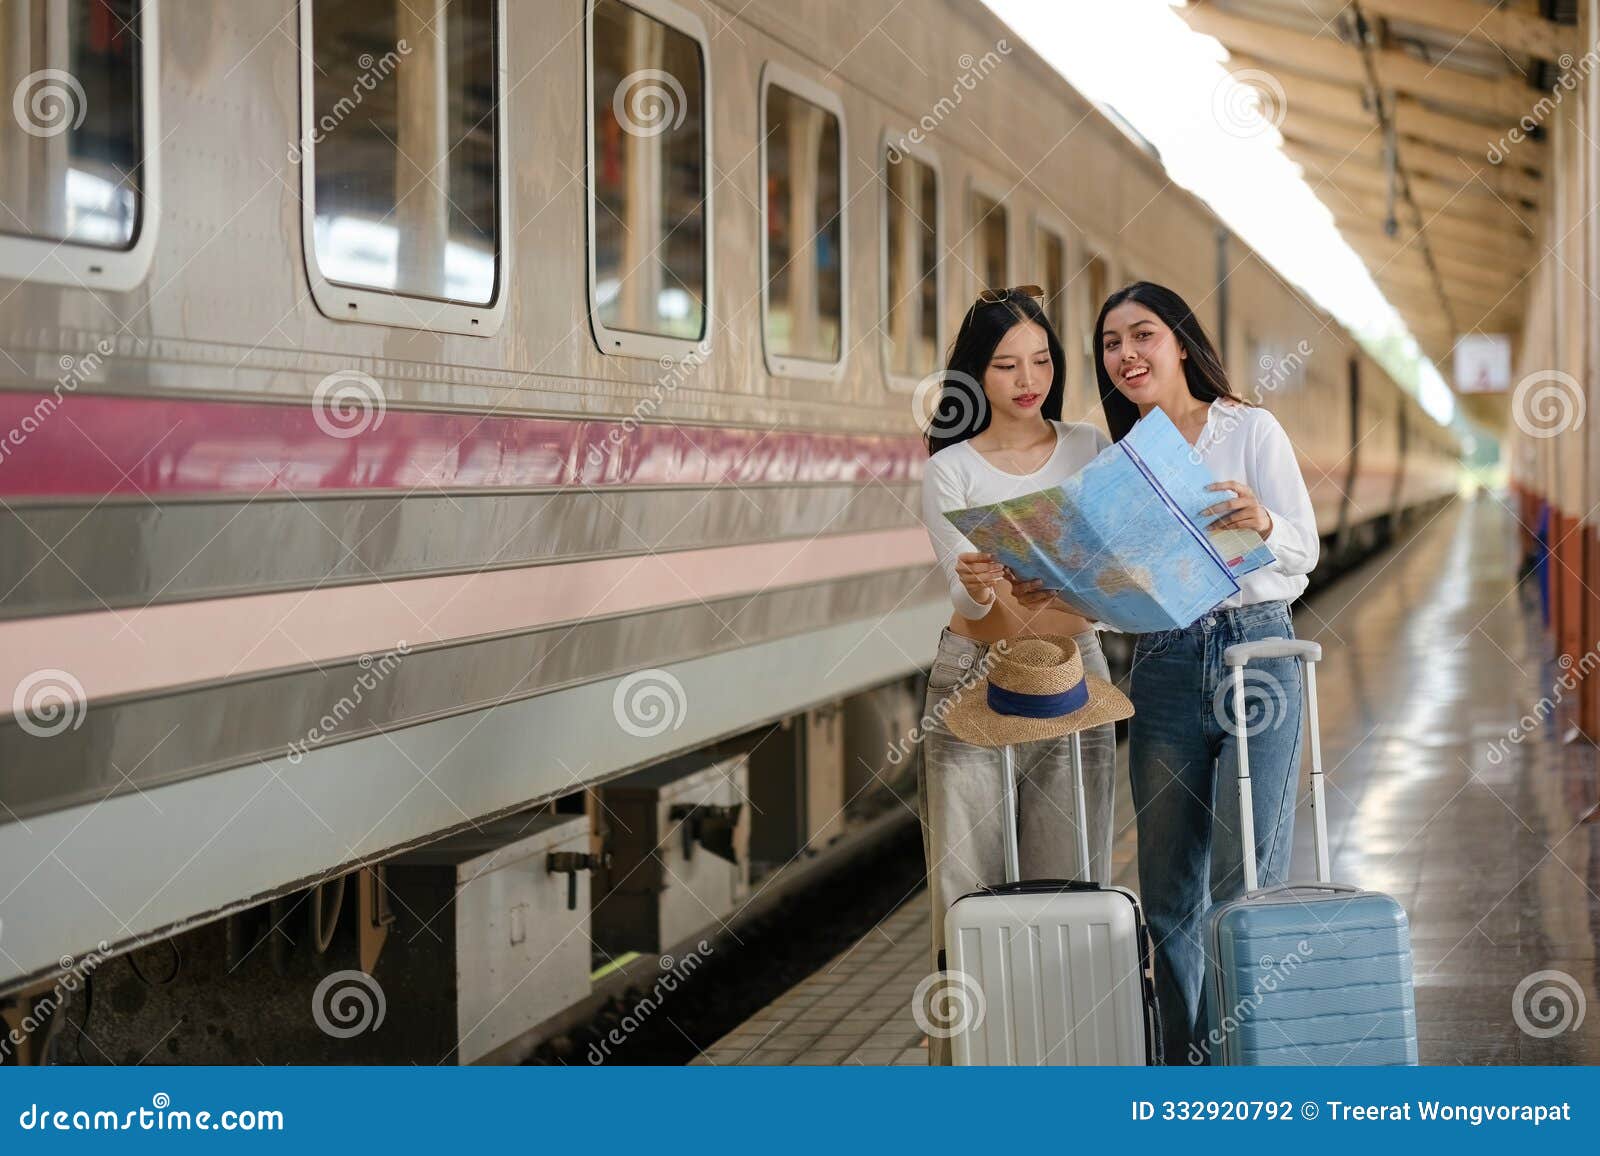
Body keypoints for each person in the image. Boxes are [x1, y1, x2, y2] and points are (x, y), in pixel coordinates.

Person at [1011, 281, 1320, 1063]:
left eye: (1141, 335)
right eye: (1111, 344)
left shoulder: (1250, 431)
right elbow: (1126, 603)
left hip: (1259, 657)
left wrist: (1264, 521)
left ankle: (1247, 1066)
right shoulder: (1119, 464)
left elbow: (1304, 555)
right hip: (1165, 664)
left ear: (1180, 342)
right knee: (1169, 894)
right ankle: (1190, 1068)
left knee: (1244, 881)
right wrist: (1063, 584)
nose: (1126, 354)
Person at [916, 284, 1117, 1066]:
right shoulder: (949, 471)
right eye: (1005, 365)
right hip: (975, 678)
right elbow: (968, 593)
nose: (1027, 378)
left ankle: (1065, 1068)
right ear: (976, 377)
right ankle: (970, 1075)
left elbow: (1104, 581)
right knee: (964, 896)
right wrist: (982, 575)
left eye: (1041, 360)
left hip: (1074, 675)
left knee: (1073, 886)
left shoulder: (1088, 449)